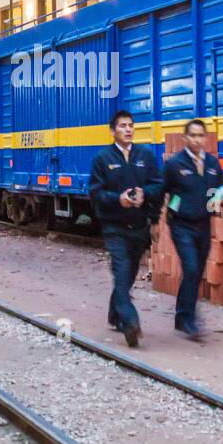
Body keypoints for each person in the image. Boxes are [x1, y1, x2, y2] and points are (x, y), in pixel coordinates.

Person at [88, 110, 162, 348]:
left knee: (128, 275)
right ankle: (130, 323)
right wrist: (116, 199)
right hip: (115, 227)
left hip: (139, 227)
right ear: (113, 131)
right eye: (122, 126)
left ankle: (113, 314)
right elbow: (95, 193)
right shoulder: (103, 159)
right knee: (122, 273)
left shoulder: (145, 156)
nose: (128, 130)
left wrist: (145, 195)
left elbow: (157, 186)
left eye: (130, 125)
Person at [161, 119, 223, 341]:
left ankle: (181, 316)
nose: (197, 140)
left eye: (201, 136)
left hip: (203, 225)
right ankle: (188, 320)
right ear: (185, 138)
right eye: (193, 136)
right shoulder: (174, 164)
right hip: (181, 225)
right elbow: (162, 190)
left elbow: (216, 193)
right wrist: (154, 221)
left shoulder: (213, 165)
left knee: (197, 272)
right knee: (191, 268)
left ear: (205, 138)